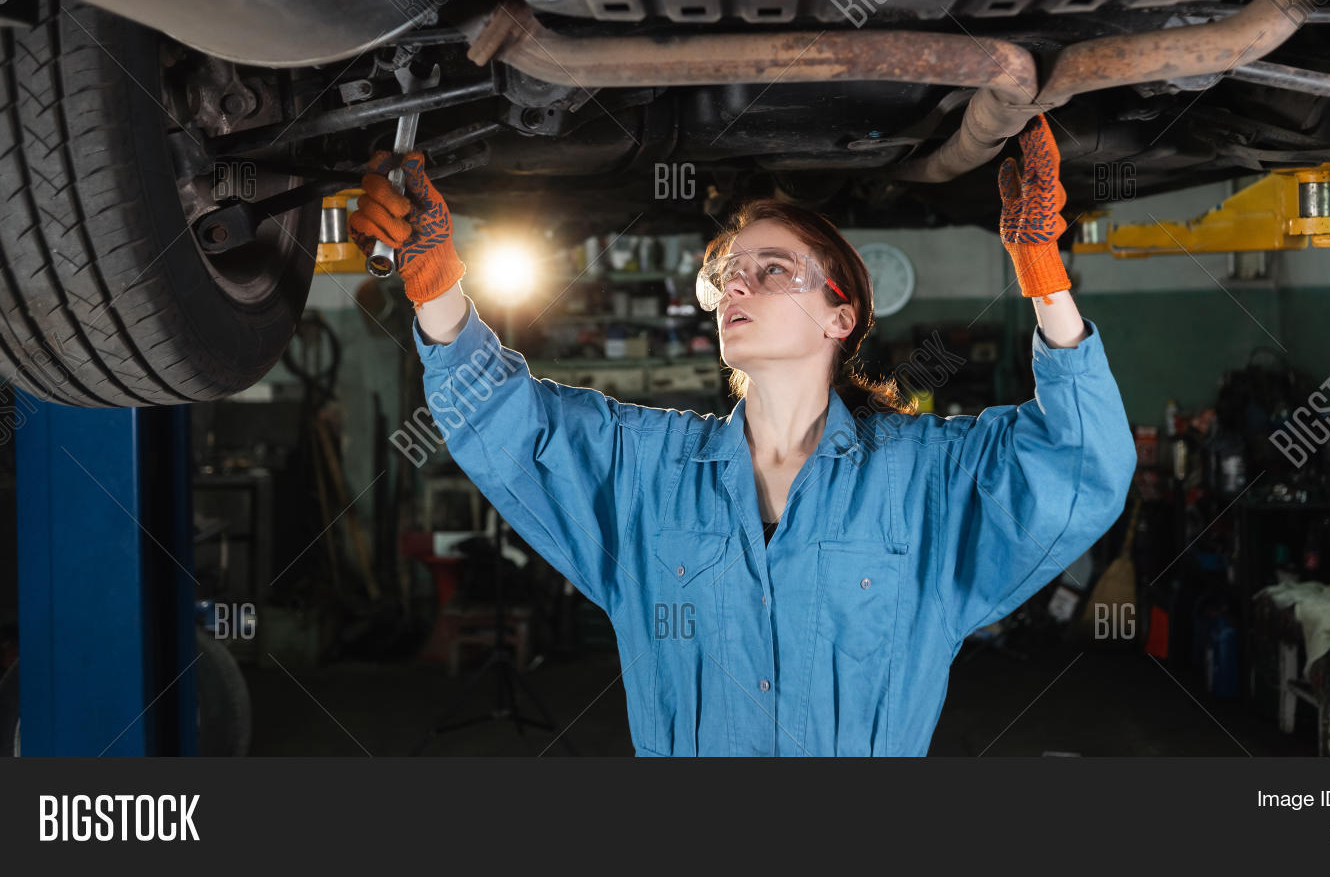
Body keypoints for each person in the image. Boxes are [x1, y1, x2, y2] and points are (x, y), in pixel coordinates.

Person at [349, 113, 1136, 756]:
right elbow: (510, 426)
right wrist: (434, 281)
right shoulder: (648, 473)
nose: (736, 284)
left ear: (841, 315)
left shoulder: (921, 480)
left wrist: (1044, 276)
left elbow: (1083, 463)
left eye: (772, 269)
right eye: (729, 271)